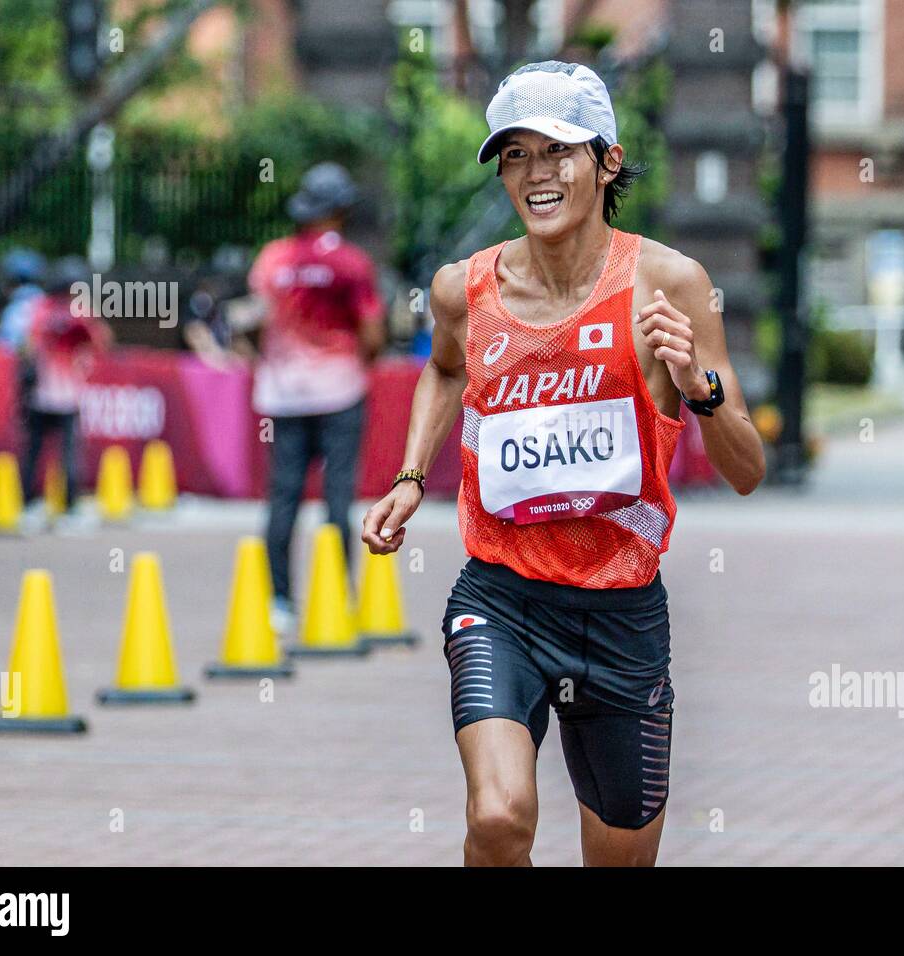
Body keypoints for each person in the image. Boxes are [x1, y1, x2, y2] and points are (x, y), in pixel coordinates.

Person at [361, 62, 765, 866]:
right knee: (501, 815)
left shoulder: (668, 283)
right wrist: (411, 475)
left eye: (558, 151)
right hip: (501, 597)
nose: (536, 174)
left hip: (621, 614)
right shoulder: (462, 290)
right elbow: (446, 366)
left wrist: (700, 388)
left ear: (608, 159)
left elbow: (748, 468)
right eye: (515, 155)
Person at [249, 162, 387, 630]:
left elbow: (254, 321)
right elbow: (371, 330)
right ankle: (337, 597)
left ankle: (280, 603)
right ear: (342, 209)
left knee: (283, 496)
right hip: (340, 391)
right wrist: (360, 361)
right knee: (337, 497)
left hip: (284, 396)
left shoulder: (274, 259)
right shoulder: (351, 263)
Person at [20, 256, 113, 520]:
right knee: (66, 453)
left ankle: (29, 503)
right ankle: (68, 507)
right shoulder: (76, 311)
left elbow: (27, 347)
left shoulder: (41, 309)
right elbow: (102, 342)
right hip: (63, 396)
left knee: (36, 451)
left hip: (43, 395)